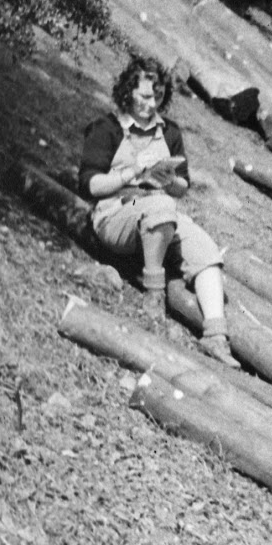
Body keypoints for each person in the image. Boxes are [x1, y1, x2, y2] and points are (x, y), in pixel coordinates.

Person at [79, 55, 238, 366]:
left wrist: (169, 178)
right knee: (161, 206)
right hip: (116, 216)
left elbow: (182, 187)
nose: (151, 104)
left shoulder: (170, 133)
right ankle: (154, 293)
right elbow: (90, 186)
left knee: (205, 249)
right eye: (145, 96)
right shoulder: (107, 128)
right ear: (128, 92)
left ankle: (216, 335)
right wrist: (132, 172)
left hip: (160, 217)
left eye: (158, 98)